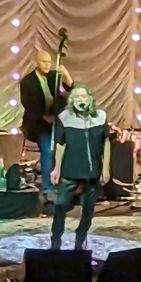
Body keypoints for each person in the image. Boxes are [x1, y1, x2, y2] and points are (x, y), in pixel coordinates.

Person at [50, 84, 110, 251]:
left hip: (92, 171)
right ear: (71, 100)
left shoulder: (101, 116)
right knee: (60, 205)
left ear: (90, 99)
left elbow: (106, 142)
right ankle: (56, 239)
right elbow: (60, 144)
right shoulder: (64, 117)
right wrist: (57, 168)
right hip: (70, 169)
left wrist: (105, 168)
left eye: (83, 96)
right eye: (76, 97)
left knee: (89, 208)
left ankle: (80, 239)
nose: (80, 100)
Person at [20, 50, 73, 194]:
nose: (47, 65)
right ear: (36, 63)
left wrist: (67, 76)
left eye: (49, 62)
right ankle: (48, 187)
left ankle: (64, 183)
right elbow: (28, 105)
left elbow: (69, 91)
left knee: (65, 148)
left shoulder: (54, 77)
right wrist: (45, 117)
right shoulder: (27, 81)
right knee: (48, 150)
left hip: (56, 120)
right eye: (44, 62)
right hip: (37, 122)